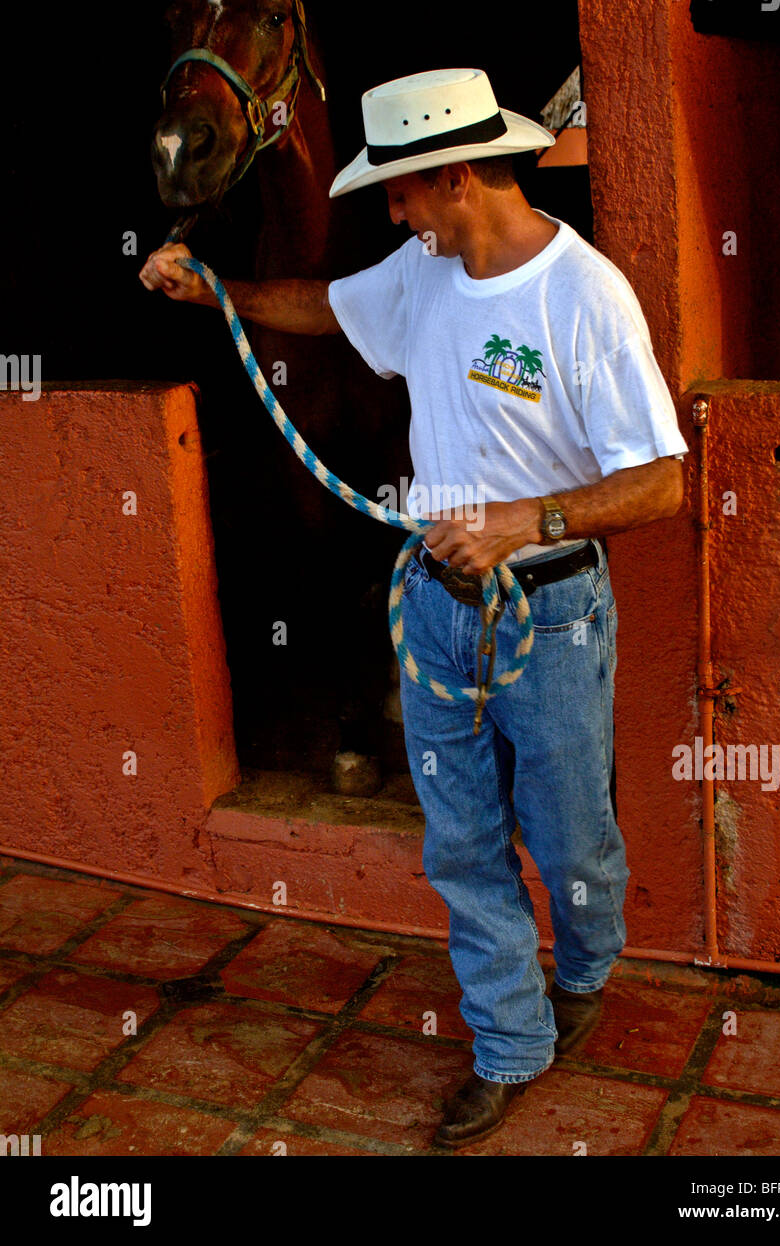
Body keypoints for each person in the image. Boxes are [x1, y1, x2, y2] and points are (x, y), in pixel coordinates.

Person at [140, 67, 688, 1149]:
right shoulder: (422, 272)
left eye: (399, 192)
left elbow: (662, 481)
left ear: (460, 174)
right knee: (461, 843)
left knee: (572, 842)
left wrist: (519, 523)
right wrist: (216, 293)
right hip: (436, 611)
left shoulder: (583, 297)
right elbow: (330, 305)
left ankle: (581, 965)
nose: (387, 213)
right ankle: (507, 1040)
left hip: (552, 613)